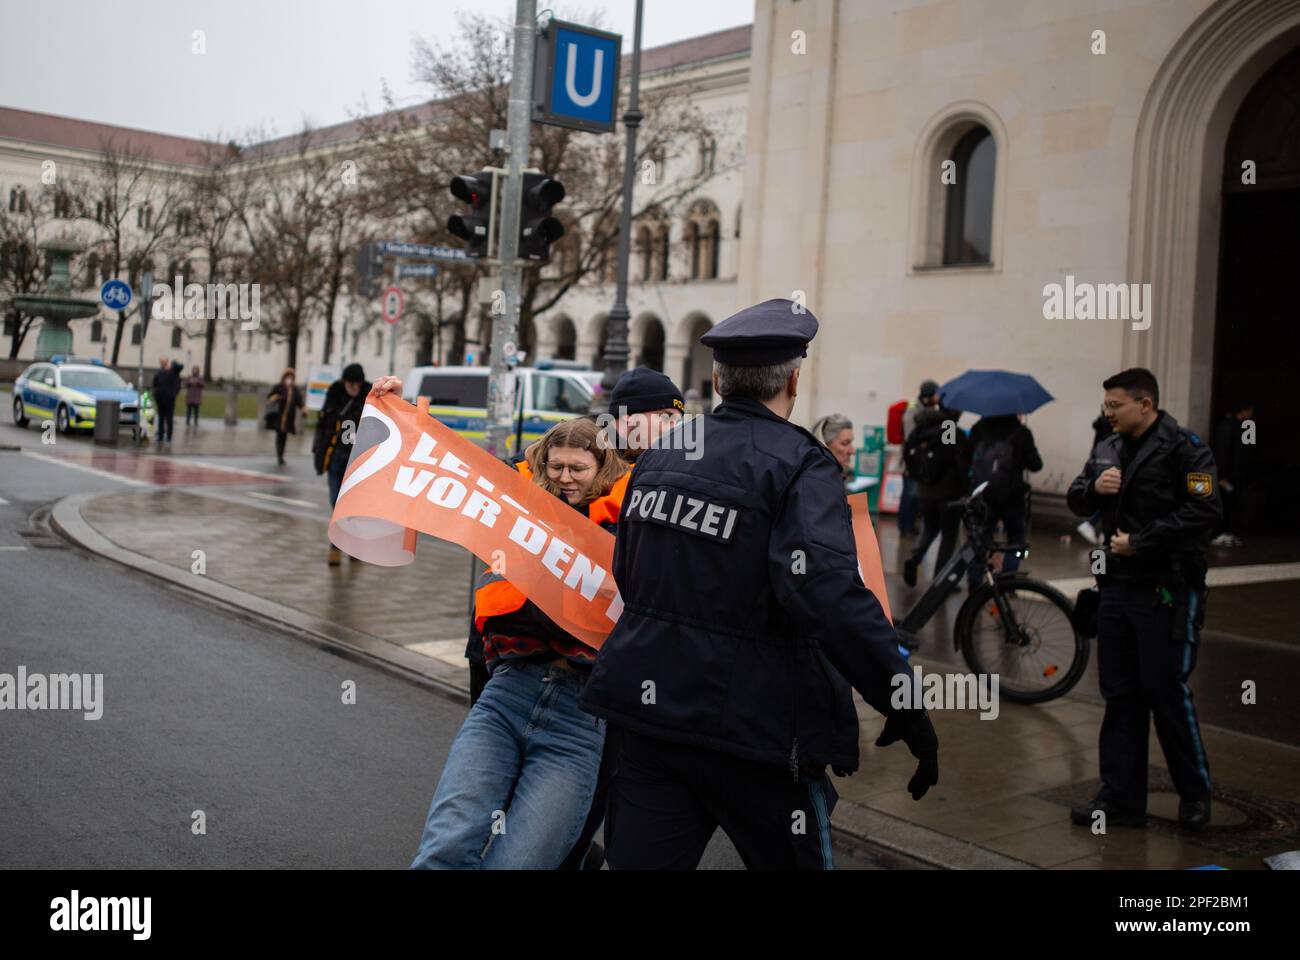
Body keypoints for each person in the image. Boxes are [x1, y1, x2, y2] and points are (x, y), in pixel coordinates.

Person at [579, 298, 939, 870]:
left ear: (718, 379)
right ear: (794, 378)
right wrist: (904, 701)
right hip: (757, 731)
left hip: (649, 719)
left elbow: (631, 573)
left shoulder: (663, 453)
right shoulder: (800, 464)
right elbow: (830, 596)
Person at [380, 404, 630, 869]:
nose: (566, 477)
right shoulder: (519, 508)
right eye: (556, 466)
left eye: (579, 468)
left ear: (602, 468)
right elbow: (451, 463)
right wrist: (398, 411)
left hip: (579, 719)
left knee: (521, 863)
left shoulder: (631, 528)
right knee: (444, 851)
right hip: (507, 695)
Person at [1067, 368, 1219, 833]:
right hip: (1115, 591)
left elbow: (1206, 512)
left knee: (1167, 693)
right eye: (1106, 406)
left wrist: (1144, 540)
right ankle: (1120, 798)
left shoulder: (1187, 448)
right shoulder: (1108, 447)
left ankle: (1195, 795)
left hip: (1166, 592)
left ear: (1145, 404)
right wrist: (1094, 489)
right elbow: (1075, 497)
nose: (1108, 413)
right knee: (1120, 697)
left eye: (1115, 406)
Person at [965, 412, 1043, 585]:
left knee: (979, 541)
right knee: (1017, 540)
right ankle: (1008, 579)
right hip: (1012, 498)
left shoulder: (979, 428)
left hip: (983, 496)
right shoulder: (1022, 432)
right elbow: (1036, 464)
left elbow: (967, 455)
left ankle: (974, 584)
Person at [902, 395, 970, 588]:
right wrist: (965, 488)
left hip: (924, 490)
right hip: (947, 493)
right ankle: (941, 579)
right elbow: (955, 460)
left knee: (930, 529)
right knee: (949, 536)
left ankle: (914, 560)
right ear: (954, 410)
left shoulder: (923, 425)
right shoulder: (948, 428)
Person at [315, 363, 371, 566]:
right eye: (350, 384)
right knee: (335, 503)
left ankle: (340, 548)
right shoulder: (335, 395)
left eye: (357, 384)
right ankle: (347, 545)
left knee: (350, 508)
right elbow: (323, 425)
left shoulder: (369, 398)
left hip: (358, 461)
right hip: (336, 457)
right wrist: (318, 452)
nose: (354, 388)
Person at [606, 366, 685, 462]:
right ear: (629, 416)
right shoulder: (589, 461)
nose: (674, 429)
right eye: (666, 417)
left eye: (677, 422)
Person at [897, 381, 939, 535]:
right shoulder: (913, 409)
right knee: (909, 493)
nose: (937, 397)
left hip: (923, 459)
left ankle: (911, 524)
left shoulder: (930, 409)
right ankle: (904, 526)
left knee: (917, 495)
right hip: (912, 459)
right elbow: (910, 435)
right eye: (935, 394)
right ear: (927, 395)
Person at [1210, 400, 1253, 546]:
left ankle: (1228, 532)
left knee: (1233, 504)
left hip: (1237, 474)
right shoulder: (1227, 427)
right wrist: (1221, 476)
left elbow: (1247, 448)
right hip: (1227, 476)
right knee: (1225, 505)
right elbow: (1222, 452)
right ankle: (1220, 533)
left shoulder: (1245, 427)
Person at [1076, 408, 1112, 546]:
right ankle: (1093, 525)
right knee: (1108, 500)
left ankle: (1101, 531)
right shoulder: (1111, 426)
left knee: (1105, 498)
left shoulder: (1101, 424)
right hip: (1108, 465)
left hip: (1097, 464)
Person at [266, 367, 305, 467]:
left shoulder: (294, 390)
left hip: (288, 418)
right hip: (279, 416)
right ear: (284, 377)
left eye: (291, 377)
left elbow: (299, 402)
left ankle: (281, 454)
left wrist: (303, 409)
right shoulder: (279, 387)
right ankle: (279, 456)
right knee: (280, 435)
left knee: (284, 436)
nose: (289, 379)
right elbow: (270, 397)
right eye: (288, 377)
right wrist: (275, 397)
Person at [811, 412, 855, 489]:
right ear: (824, 446)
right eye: (845, 443)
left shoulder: (846, 479)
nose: (852, 451)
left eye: (851, 443)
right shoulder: (814, 485)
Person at [151, 356, 182, 443]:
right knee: (161, 418)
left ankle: (169, 436)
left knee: (169, 419)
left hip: (169, 400)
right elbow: (155, 385)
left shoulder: (173, 372)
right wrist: (155, 394)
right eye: (161, 362)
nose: (163, 364)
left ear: (167, 362)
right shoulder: (158, 373)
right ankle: (160, 436)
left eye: (164, 362)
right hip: (160, 399)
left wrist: (173, 365)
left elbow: (181, 366)